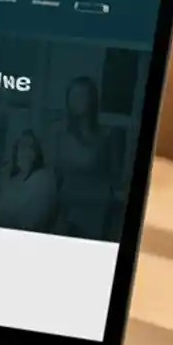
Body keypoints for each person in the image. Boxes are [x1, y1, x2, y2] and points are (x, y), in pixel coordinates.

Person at [56, 76, 115, 237]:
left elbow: (112, 176)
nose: (76, 101)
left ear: (91, 99)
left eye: (81, 95)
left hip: (96, 208)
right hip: (67, 208)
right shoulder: (61, 134)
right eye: (72, 96)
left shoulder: (105, 137)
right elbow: (56, 175)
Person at [0, 130, 58, 232]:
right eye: (18, 146)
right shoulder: (16, 176)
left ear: (35, 153)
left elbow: (22, 216)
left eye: (26, 146)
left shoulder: (42, 179)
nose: (20, 150)